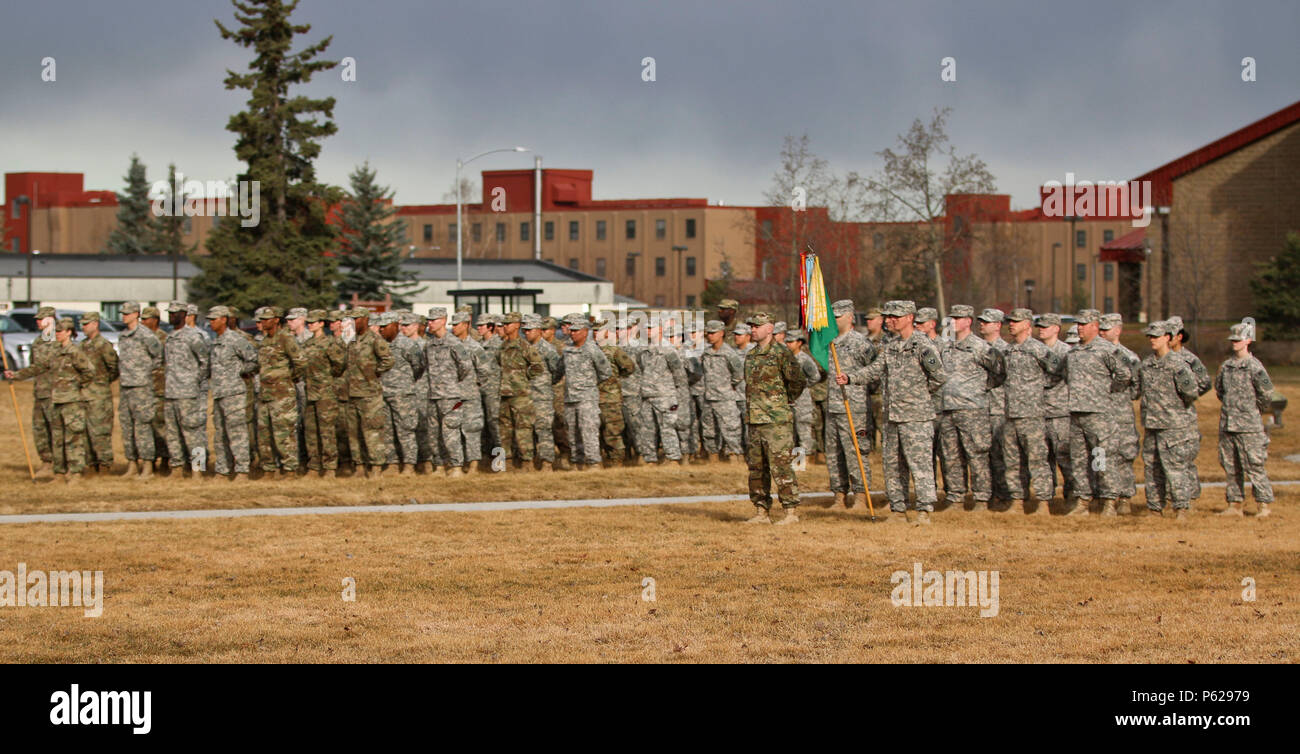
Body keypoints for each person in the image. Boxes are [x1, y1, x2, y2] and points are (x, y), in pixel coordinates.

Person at [838, 300, 947, 525]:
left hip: (916, 417)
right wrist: (851, 378)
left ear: (909, 318)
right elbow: (875, 370)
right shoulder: (891, 346)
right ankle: (898, 509)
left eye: (895, 316)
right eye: (888, 316)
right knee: (893, 465)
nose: (890, 320)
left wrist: (918, 395)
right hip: (892, 417)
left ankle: (924, 511)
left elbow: (939, 377)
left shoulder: (922, 345)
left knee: (920, 464)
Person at [5, 318, 93, 483]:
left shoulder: (75, 352)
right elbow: (38, 367)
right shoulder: (55, 352)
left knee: (73, 438)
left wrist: (74, 385)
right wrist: (16, 375)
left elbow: (89, 372)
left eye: (61, 331)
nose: (58, 334)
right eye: (56, 331)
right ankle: (59, 472)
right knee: (58, 439)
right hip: (56, 400)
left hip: (72, 401)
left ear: (69, 333)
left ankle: (75, 472)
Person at [1062, 310, 1132, 516]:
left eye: (1084, 324)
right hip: (1076, 413)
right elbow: (1068, 377)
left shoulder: (1106, 350)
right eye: (1078, 324)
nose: (1079, 327)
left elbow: (1124, 374)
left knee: (1101, 458)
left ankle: (1110, 500)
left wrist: (1106, 391)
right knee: (1080, 460)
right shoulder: (1073, 352)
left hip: (1099, 415)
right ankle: (1083, 501)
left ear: (1095, 325)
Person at [741, 312, 806, 525]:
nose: (753, 329)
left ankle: (791, 512)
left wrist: (782, 402)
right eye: (751, 326)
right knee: (757, 469)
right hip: (755, 419)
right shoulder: (751, 355)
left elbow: (797, 381)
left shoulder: (781, 353)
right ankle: (761, 511)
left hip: (776, 421)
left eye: (757, 326)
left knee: (782, 466)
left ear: (770, 329)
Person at [938, 305, 1003, 511]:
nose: (954, 321)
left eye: (958, 318)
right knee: (951, 455)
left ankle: (982, 498)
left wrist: (982, 388)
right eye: (952, 318)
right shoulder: (946, 346)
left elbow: (1000, 371)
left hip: (972, 409)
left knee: (977, 454)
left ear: (968, 321)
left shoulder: (980, 346)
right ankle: (956, 497)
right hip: (948, 408)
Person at [1136, 320, 1201, 520]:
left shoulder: (1177, 364)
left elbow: (1191, 392)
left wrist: (1173, 410)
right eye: (1150, 336)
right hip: (1152, 423)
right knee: (1152, 467)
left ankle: (1181, 507)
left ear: (1167, 338)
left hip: (1173, 425)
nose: (1152, 340)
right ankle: (1155, 507)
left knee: (1175, 468)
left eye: (1156, 336)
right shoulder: (1146, 364)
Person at [1000, 308, 1062, 514]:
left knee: (1037, 460)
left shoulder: (1038, 349)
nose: (1011, 324)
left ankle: (1043, 501)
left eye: (1016, 321)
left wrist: (1040, 387)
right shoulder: (1007, 351)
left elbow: (1059, 370)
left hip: (1032, 415)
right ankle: (1017, 500)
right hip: (1010, 414)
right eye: (1010, 321)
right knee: (1012, 461)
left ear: (1027, 324)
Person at [1215, 322, 1274, 518]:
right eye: (1233, 339)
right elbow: (1220, 391)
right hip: (1228, 424)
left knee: (1254, 465)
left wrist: (1250, 409)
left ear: (1248, 340)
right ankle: (1235, 504)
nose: (1235, 343)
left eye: (1238, 339)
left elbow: (1266, 394)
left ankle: (1263, 505)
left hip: (1249, 426)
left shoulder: (1254, 367)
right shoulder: (1226, 366)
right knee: (1231, 466)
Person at [823, 299, 876, 510]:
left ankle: (861, 496)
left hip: (853, 407)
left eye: (838, 316)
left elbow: (874, 372)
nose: (834, 320)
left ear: (850, 317)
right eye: (832, 316)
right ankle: (839, 495)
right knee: (833, 453)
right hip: (833, 406)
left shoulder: (861, 343)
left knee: (855, 452)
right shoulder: (829, 343)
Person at [207, 306, 259, 481]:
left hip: (234, 393)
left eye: (214, 319)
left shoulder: (235, 340)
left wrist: (239, 371)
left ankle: (242, 470)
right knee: (220, 433)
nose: (211, 322)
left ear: (224, 319)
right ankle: (222, 469)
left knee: (237, 432)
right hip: (219, 393)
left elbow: (253, 360)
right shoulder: (215, 341)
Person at [254, 306, 306, 477]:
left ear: (276, 320)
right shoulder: (264, 341)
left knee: (284, 433)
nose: (262, 322)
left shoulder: (286, 338)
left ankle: (289, 469)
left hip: (282, 396)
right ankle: (269, 469)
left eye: (266, 319)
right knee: (264, 434)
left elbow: (300, 362)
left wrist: (288, 379)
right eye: (261, 319)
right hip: (265, 394)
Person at [342, 308, 394, 478]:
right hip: (352, 393)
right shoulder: (351, 340)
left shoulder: (374, 339)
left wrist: (374, 372)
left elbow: (388, 360)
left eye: (357, 319)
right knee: (353, 432)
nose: (354, 322)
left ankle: (376, 467)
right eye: (352, 319)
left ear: (365, 319)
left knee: (372, 432)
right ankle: (359, 466)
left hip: (370, 394)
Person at [424, 307, 474, 478]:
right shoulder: (429, 344)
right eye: (429, 320)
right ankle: (438, 465)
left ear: (443, 321)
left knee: (450, 432)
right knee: (433, 433)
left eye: (434, 320)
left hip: (450, 395)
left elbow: (465, 367)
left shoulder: (454, 343)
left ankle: (456, 466)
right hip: (433, 395)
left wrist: (452, 383)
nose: (430, 323)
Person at [1099, 313, 1141, 513]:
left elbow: (1136, 388)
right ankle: (1104, 496)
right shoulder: (1096, 353)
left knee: (1124, 456)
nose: (1102, 332)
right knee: (1099, 456)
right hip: (1100, 414)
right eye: (1101, 329)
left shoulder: (1129, 357)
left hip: (1121, 414)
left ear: (1117, 330)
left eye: (1106, 329)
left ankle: (1124, 497)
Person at [163, 300, 210, 477]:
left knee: (193, 433)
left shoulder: (193, 336)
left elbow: (205, 362)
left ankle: (198, 468)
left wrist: (194, 380)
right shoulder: (169, 336)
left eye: (175, 313)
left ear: (184, 315)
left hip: (188, 392)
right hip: (171, 392)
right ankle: (177, 467)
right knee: (172, 433)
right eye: (170, 313)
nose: (172, 316)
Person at [115, 302, 162, 479]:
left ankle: (148, 466)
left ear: (136, 314)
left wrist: (144, 372)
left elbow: (158, 357)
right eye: (123, 313)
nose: (124, 316)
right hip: (126, 386)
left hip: (142, 386)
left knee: (143, 427)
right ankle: (132, 464)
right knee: (127, 427)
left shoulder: (146, 335)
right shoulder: (124, 336)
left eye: (127, 313)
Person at [561, 314, 612, 470]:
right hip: (570, 398)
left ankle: (593, 462)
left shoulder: (592, 350)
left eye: (576, 330)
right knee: (572, 432)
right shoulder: (567, 349)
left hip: (587, 398)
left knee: (588, 430)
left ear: (585, 331)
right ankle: (577, 462)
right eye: (571, 330)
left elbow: (605, 372)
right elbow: (559, 369)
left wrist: (589, 385)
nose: (573, 333)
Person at [380, 312, 426, 476]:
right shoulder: (380, 344)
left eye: (385, 327)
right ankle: (391, 463)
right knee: (387, 430)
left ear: (394, 326)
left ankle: (409, 465)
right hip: (384, 393)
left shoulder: (407, 345)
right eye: (380, 327)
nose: (381, 330)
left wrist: (406, 383)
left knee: (405, 430)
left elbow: (419, 366)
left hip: (403, 394)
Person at [302, 309, 347, 478]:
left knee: (327, 431)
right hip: (310, 392)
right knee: (311, 431)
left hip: (326, 393)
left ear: (322, 323)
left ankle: (329, 467)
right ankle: (313, 466)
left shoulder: (329, 343)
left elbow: (340, 364)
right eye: (309, 322)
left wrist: (328, 378)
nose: (310, 325)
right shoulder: (306, 344)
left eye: (314, 322)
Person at [635, 319, 687, 465]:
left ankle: (673, 458)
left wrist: (677, 395)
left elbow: (679, 374)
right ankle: (650, 459)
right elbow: (641, 368)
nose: (649, 330)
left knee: (667, 428)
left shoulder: (669, 351)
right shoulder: (643, 351)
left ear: (660, 329)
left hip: (665, 396)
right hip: (647, 396)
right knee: (647, 429)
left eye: (652, 327)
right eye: (647, 328)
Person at [498, 311, 545, 470]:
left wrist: (523, 377)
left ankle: (527, 462)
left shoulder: (524, 346)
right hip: (504, 395)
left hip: (521, 396)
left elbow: (538, 366)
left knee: (523, 430)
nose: (505, 326)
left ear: (517, 325)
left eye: (508, 324)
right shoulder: (502, 346)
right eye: (504, 324)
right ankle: (507, 461)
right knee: (504, 430)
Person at [1036, 313, 1072, 501]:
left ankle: (1072, 494)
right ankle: (1046, 498)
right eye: (1040, 326)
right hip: (1039, 412)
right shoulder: (1035, 349)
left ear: (1057, 328)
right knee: (1042, 460)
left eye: (1046, 326)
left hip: (1059, 413)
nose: (1041, 329)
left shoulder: (1066, 352)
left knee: (1065, 458)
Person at [78, 312, 119, 474]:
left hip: (99, 397)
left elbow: (114, 368)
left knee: (100, 432)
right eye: (82, 324)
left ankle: (104, 465)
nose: (83, 327)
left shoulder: (104, 345)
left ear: (96, 324)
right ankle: (90, 463)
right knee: (85, 432)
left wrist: (101, 382)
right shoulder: (82, 346)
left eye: (86, 324)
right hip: (84, 395)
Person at [699, 319, 745, 462]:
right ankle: (713, 458)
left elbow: (739, 374)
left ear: (722, 333)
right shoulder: (706, 353)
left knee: (731, 429)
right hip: (708, 397)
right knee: (709, 430)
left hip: (725, 398)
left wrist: (729, 386)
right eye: (708, 333)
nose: (710, 336)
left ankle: (734, 457)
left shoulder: (729, 353)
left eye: (713, 333)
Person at [596, 317, 636, 465]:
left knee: (613, 431)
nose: (596, 334)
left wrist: (615, 379)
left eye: (599, 331)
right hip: (593, 398)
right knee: (596, 432)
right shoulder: (591, 350)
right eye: (594, 331)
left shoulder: (614, 350)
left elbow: (629, 367)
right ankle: (601, 459)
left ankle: (617, 460)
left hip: (610, 398)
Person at [786, 330, 822, 469]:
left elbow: (815, 376)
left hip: (802, 401)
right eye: (787, 341)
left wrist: (802, 385)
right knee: (790, 432)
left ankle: (802, 463)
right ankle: (792, 461)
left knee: (803, 431)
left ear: (799, 343)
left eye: (791, 342)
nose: (788, 344)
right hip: (788, 400)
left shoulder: (804, 359)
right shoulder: (785, 358)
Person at [141, 306, 171, 474]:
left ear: (155, 320)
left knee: (161, 426)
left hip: (160, 388)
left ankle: (165, 459)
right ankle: (149, 460)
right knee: (147, 427)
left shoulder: (164, 339)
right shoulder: (141, 338)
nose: (143, 322)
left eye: (146, 319)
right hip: (144, 389)